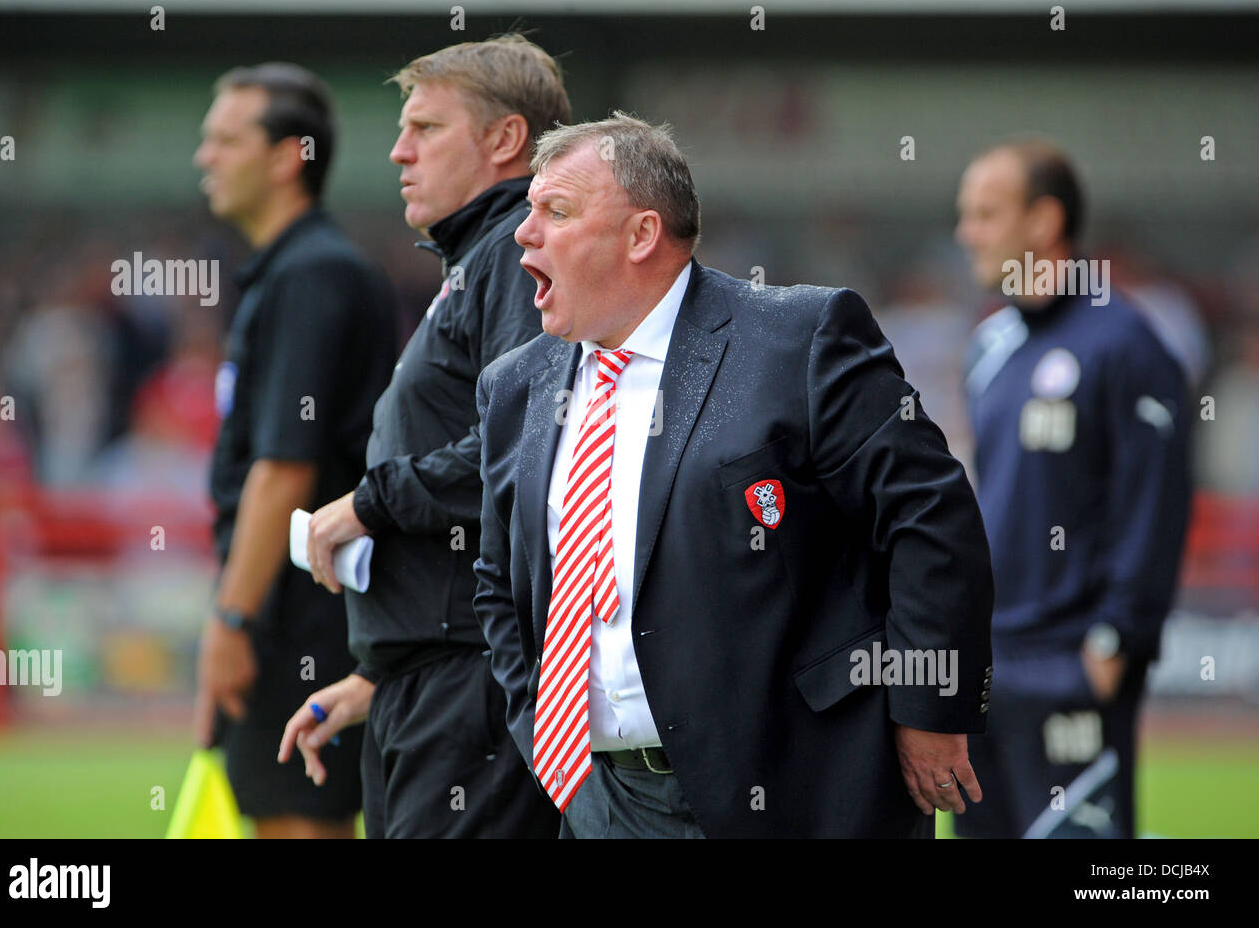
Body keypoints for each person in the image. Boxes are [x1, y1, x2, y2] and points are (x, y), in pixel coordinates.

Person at [472, 113, 995, 838]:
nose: (523, 234)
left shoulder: (799, 337)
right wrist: (540, 731)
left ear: (640, 234)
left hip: (797, 788)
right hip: (600, 801)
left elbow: (930, 518)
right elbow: (499, 581)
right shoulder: (514, 387)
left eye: (555, 211)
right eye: (527, 211)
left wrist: (926, 705)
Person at [278, 35, 568, 839]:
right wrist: (379, 676)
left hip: (470, 688)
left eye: (426, 128)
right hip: (434, 680)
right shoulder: (477, 260)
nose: (400, 151)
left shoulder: (515, 251)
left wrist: (367, 504)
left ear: (505, 139)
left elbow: (526, 444)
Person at [953, 140, 1192, 838]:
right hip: (988, 666)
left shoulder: (1126, 342)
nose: (967, 232)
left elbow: (1154, 499)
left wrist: (1117, 637)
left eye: (986, 213)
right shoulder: (988, 346)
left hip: (1072, 663)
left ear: (1044, 220)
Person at [193, 62, 398, 838]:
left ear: (286, 158)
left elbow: (284, 467)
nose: (203, 156)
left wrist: (232, 618)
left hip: (298, 612)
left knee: (295, 821)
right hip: (308, 605)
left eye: (223, 139)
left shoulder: (310, 277)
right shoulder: (306, 270)